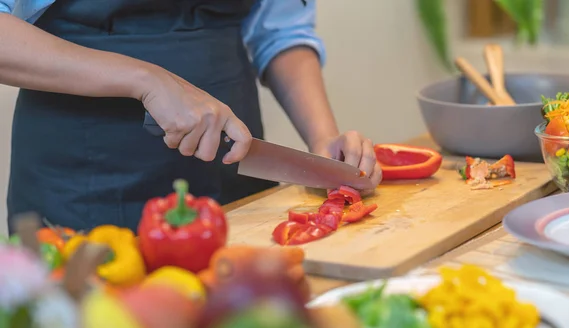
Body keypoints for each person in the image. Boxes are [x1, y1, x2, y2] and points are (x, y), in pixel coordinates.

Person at [0, 0, 382, 232]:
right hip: (82, 187)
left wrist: (322, 142)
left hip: (230, 178)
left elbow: (280, 32)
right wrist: (147, 79)